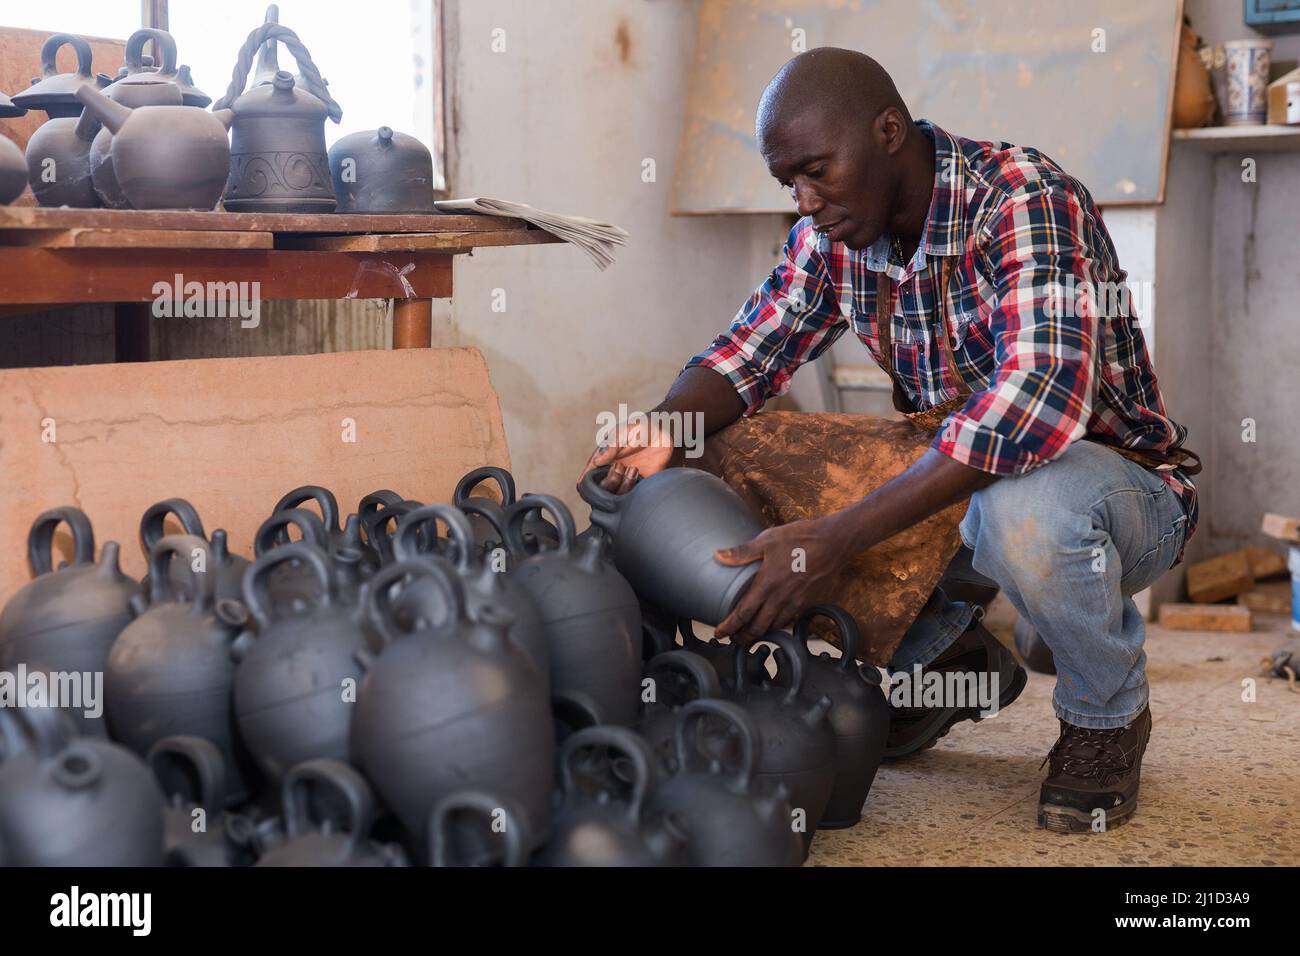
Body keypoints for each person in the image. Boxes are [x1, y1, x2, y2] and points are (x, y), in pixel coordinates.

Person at [580, 48, 1198, 833]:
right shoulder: (834, 233)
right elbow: (748, 355)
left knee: (1026, 512)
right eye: (788, 183)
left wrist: (835, 539)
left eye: (816, 171)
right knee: (710, 450)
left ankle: (1106, 721)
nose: (804, 201)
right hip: (961, 474)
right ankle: (940, 658)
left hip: (1114, 490)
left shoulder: (1022, 198)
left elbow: (1033, 410)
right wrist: (660, 430)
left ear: (888, 132)